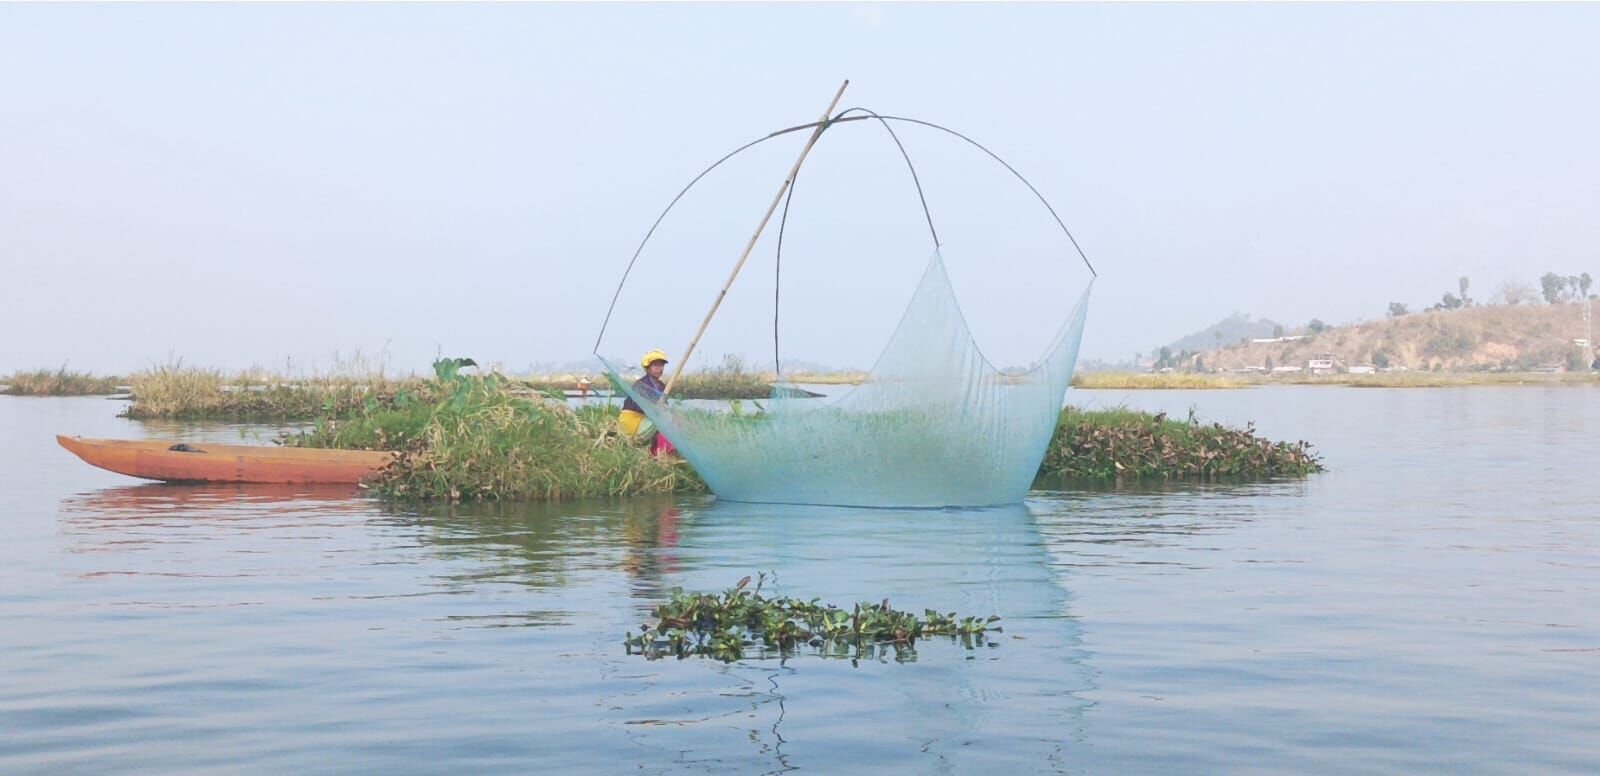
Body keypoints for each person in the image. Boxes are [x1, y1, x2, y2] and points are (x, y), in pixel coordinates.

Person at [619, 349, 677, 455]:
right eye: (655, 366)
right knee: (666, 420)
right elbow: (645, 407)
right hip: (633, 424)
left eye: (661, 366)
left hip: (644, 421)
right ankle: (660, 451)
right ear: (647, 368)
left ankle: (659, 450)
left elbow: (665, 407)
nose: (659, 369)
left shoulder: (660, 385)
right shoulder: (641, 385)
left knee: (671, 418)